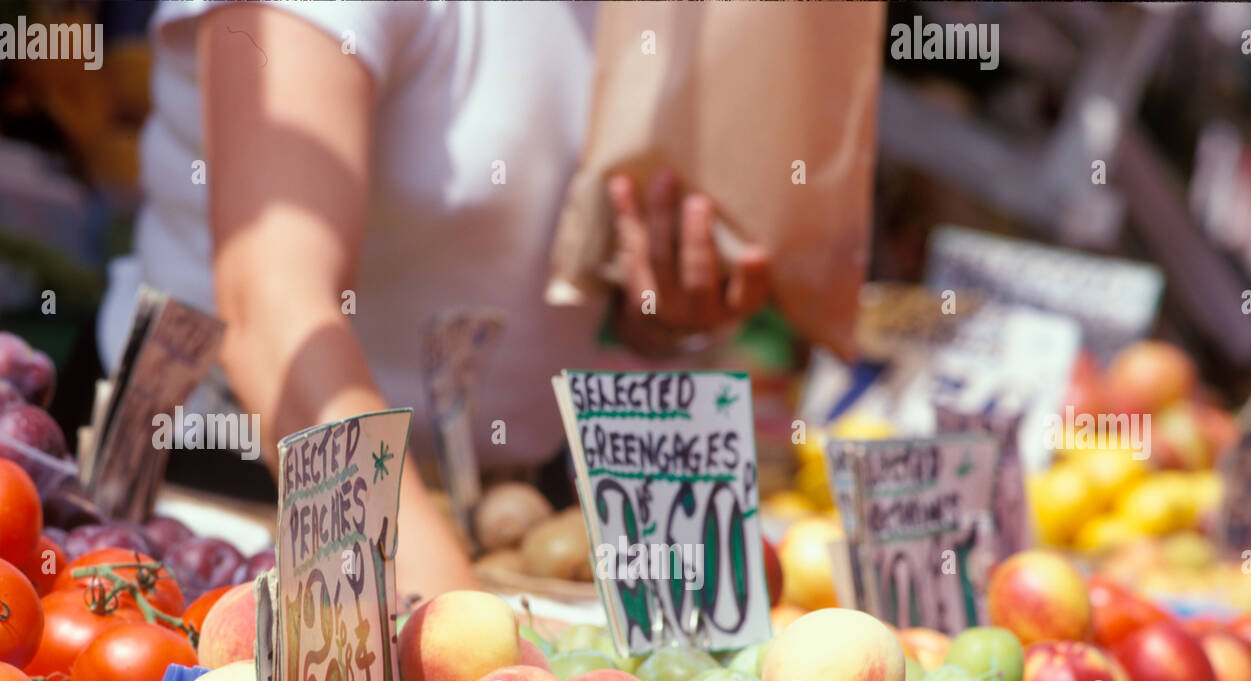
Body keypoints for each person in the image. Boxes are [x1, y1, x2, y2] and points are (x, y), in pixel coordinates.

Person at [98, 0, 770, 601]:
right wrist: (460, 628)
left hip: (517, 516)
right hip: (241, 494)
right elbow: (270, 315)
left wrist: (668, 320)